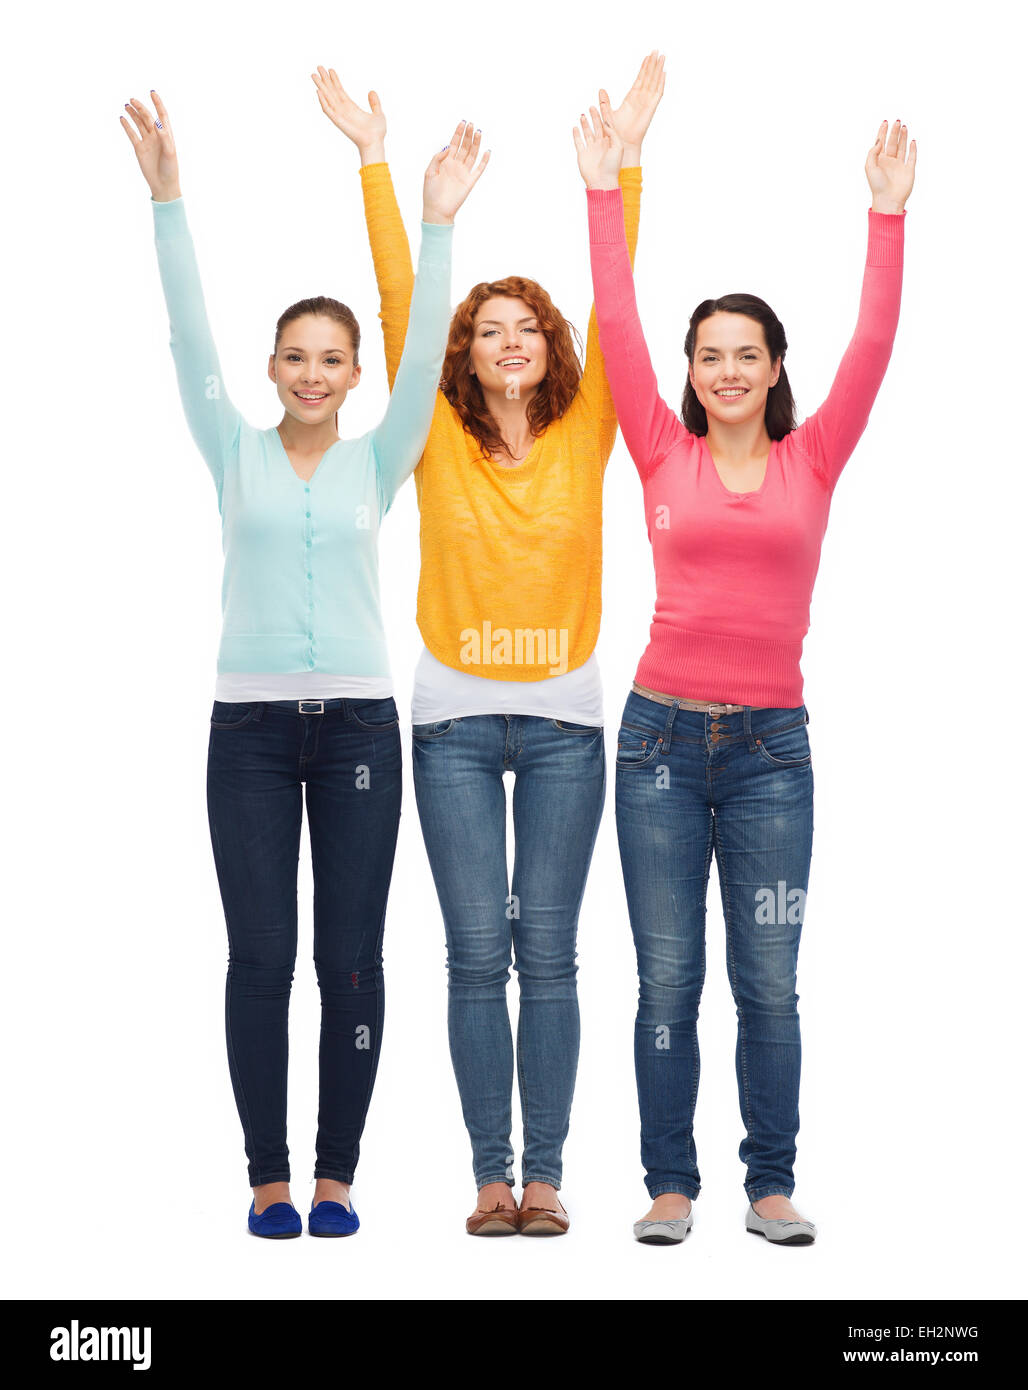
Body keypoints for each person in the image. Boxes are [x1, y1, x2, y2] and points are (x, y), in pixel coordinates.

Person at [121, 85, 486, 1238]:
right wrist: (169, 199)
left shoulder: (383, 458)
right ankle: (266, 1175)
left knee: (352, 959)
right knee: (261, 957)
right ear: (272, 369)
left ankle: (337, 1174)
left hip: (363, 734)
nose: (314, 374)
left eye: (333, 358)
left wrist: (434, 220)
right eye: (295, 357)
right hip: (248, 731)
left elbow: (430, 348)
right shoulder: (231, 446)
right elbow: (187, 331)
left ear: (353, 371)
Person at [312, 55, 663, 1234]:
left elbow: (618, 299)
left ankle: (549, 1177)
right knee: (475, 957)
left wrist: (617, 172)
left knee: (549, 958)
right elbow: (401, 309)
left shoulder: (590, 425)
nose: (506, 340)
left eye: (526, 327)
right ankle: (486, 1179)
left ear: (549, 344)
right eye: (485, 330)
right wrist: (389, 177)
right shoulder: (432, 438)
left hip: (565, 723)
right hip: (452, 722)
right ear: (458, 354)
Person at [577, 98, 915, 1245]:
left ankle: (766, 1183)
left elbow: (871, 345)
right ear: (689, 370)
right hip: (659, 750)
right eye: (708, 354)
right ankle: (669, 1184)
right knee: (666, 981)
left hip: (772, 755)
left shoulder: (811, 455)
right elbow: (612, 323)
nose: (726, 370)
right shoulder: (655, 447)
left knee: (767, 981)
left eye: (746, 354)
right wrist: (605, 188)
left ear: (774, 369)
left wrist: (884, 216)